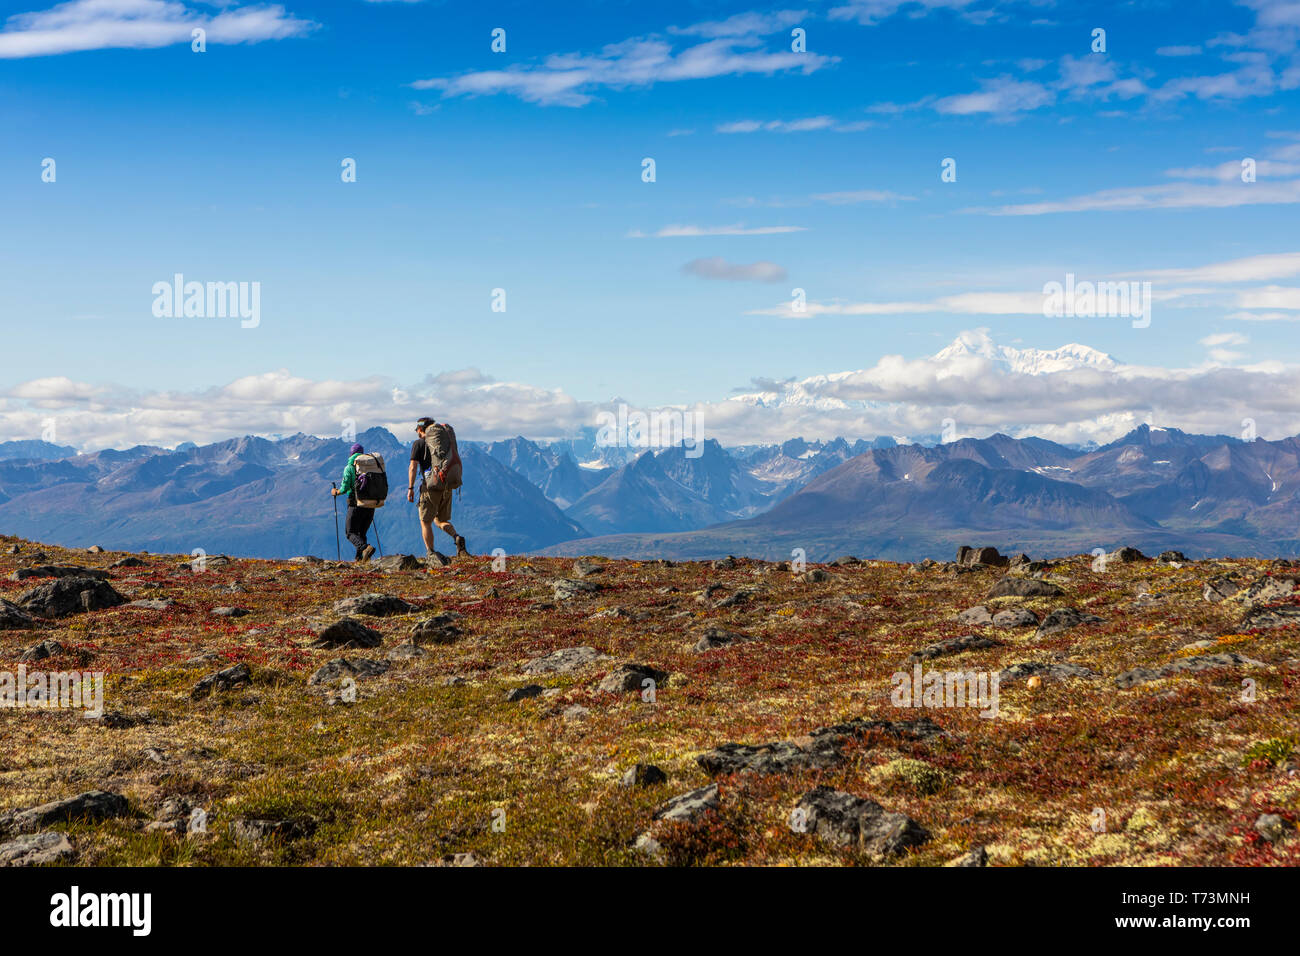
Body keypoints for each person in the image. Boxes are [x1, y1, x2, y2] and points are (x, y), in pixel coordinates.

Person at [407, 417, 470, 559]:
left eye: (417, 429)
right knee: (440, 520)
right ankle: (457, 537)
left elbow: (413, 467)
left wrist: (410, 488)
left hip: (430, 487)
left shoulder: (419, 443)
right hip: (446, 485)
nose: (416, 432)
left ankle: (431, 553)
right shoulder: (444, 443)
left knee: (425, 521)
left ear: (421, 429)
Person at [332, 442, 376, 561]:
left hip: (355, 504)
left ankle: (365, 548)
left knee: (350, 532)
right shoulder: (371, 466)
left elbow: (345, 487)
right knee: (361, 533)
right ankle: (360, 559)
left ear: (351, 454)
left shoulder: (350, 467)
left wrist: (336, 492)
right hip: (371, 504)